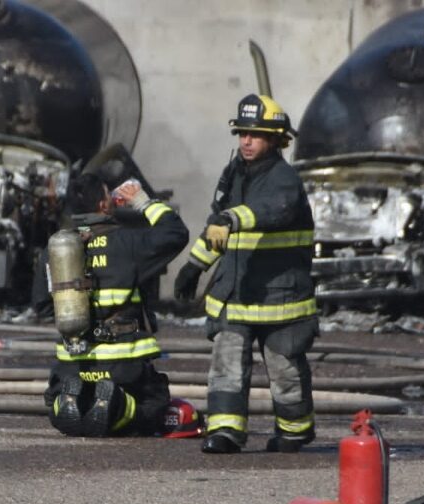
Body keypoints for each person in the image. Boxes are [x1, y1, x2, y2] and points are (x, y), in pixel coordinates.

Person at [173, 93, 319, 454]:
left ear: (275, 139)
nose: (246, 141)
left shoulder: (285, 179)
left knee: (284, 369)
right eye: (242, 134)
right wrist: (195, 264)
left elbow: (271, 211)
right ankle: (225, 432)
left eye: (254, 135)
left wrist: (232, 218)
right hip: (235, 293)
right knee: (226, 366)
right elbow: (218, 227)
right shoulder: (234, 173)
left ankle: (294, 431)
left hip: (280, 297)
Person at [44, 173, 190, 437]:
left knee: (53, 399)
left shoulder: (56, 249)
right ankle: (117, 404)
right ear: (103, 205)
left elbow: (42, 305)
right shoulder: (127, 242)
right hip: (122, 365)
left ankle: (64, 402)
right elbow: (175, 232)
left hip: (72, 363)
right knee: (155, 404)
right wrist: (143, 202)